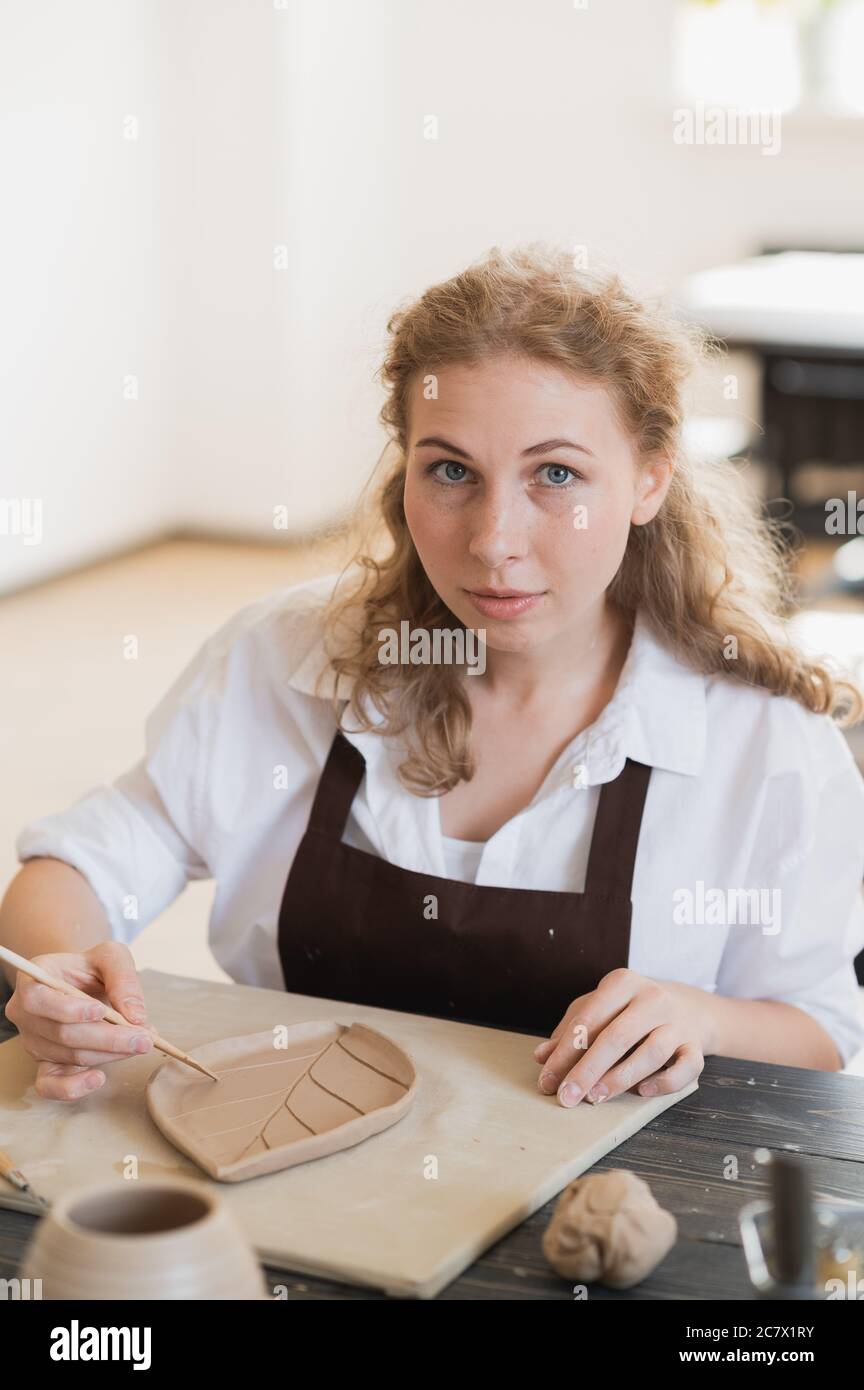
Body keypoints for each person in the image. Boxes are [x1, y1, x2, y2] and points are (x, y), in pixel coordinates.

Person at [3, 243, 864, 1110]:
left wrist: (702, 1019)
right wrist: (59, 972)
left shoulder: (764, 741)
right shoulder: (282, 659)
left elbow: (822, 1032)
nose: (494, 540)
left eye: (555, 474)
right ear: (404, 468)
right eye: (452, 471)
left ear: (648, 479)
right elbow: (84, 864)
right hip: (292, 1171)